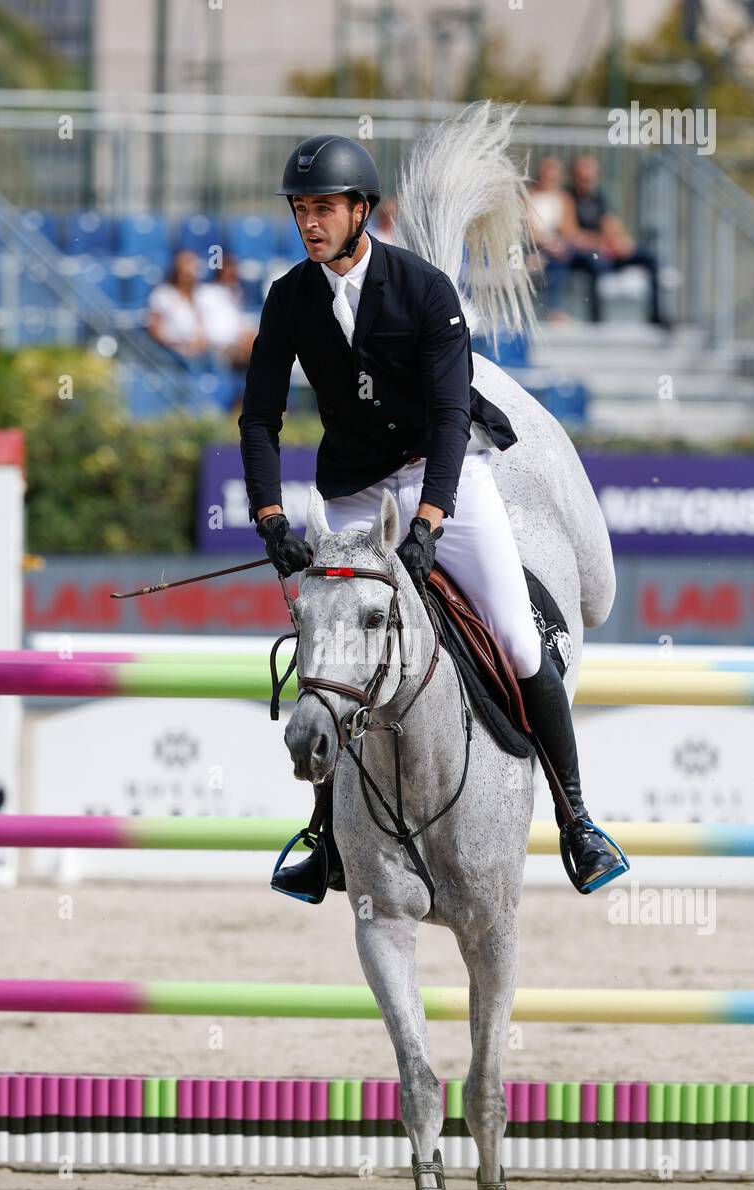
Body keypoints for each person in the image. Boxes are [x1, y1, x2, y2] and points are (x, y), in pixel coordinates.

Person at [238, 133, 628, 902]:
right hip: (351, 492)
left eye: (324, 208)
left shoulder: (422, 290)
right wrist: (272, 516)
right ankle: (325, 838)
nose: (310, 223)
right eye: (301, 209)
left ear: (360, 213)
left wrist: (429, 523)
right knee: (335, 657)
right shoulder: (289, 297)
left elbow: (452, 417)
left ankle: (577, 820)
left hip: (439, 473)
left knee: (517, 637)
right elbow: (260, 420)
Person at [566, 155, 667, 327]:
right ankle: (597, 320)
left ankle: (656, 315)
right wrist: (598, 243)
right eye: (583, 178)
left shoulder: (601, 197)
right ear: (574, 177)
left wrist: (621, 241)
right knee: (595, 263)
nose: (587, 182)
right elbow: (571, 232)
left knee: (650, 259)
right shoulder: (567, 198)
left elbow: (612, 223)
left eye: (591, 177)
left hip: (607, 248)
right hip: (587, 253)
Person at [527, 156, 579, 321]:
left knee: (561, 257)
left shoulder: (564, 199)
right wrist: (546, 243)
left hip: (557, 247)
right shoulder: (528, 197)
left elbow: (570, 230)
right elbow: (527, 230)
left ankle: (554, 308)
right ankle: (551, 309)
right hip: (533, 245)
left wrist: (557, 243)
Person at [147, 248, 211, 364]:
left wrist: (198, 344)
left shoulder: (201, 296)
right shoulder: (162, 294)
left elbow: (203, 328)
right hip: (171, 354)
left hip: (198, 353)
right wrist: (178, 343)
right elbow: (154, 330)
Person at [195, 253, 257, 370]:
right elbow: (203, 324)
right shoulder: (205, 292)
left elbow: (238, 324)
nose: (232, 274)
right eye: (228, 270)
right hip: (217, 346)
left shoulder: (235, 294)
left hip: (235, 343)